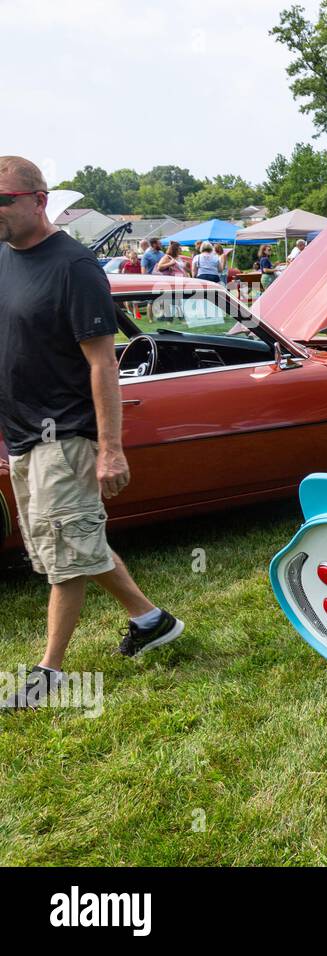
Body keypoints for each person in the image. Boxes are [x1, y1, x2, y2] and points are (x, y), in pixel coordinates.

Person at [0, 156, 184, 709]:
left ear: (38, 199)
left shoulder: (75, 266)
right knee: (72, 545)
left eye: (2, 200)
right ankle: (152, 621)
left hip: (67, 435)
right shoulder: (4, 259)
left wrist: (110, 450)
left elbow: (104, 364)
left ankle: (48, 674)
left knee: (64, 555)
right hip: (23, 436)